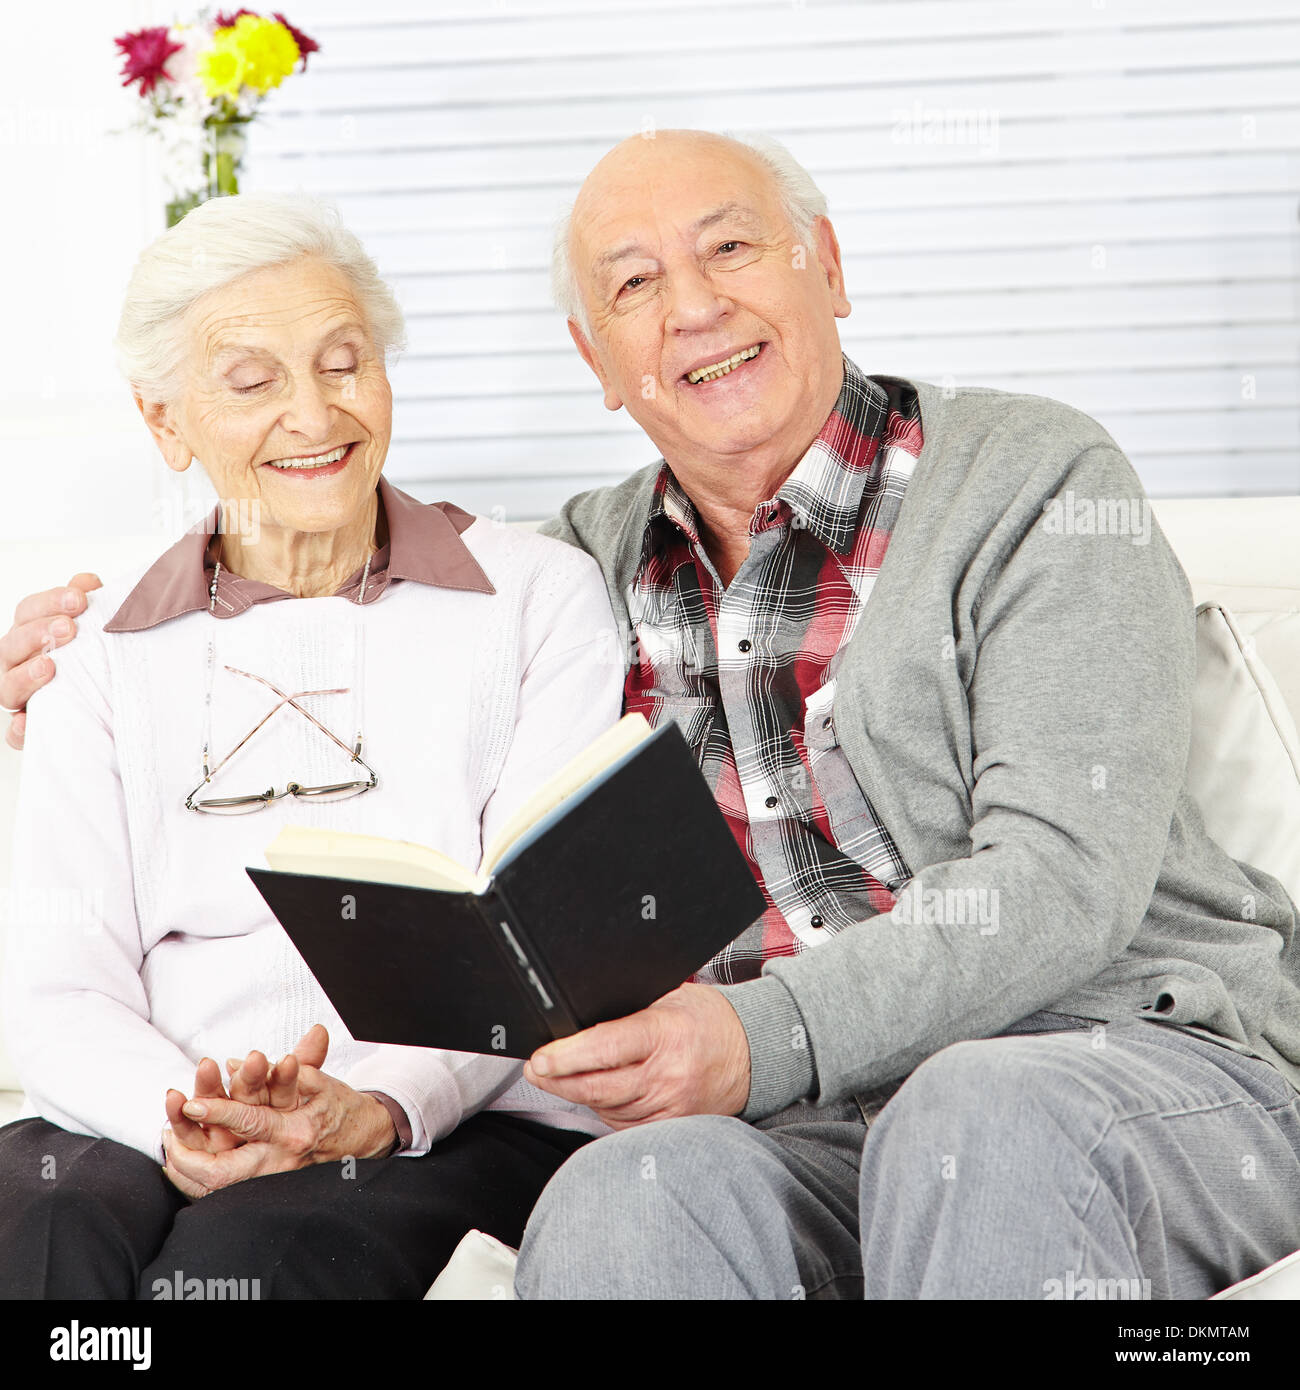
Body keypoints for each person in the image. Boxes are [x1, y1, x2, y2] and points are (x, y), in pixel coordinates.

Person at [8, 131, 1300, 1302]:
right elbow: (359, 600)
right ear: (598, 361)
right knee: (627, 1191)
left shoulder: (1035, 479)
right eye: (631, 286)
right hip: (810, 1124)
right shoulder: (585, 565)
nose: (691, 306)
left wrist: (759, 1032)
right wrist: (37, 678)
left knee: (979, 1110)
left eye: (731, 247)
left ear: (830, 268)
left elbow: (1067, 874)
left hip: (1126, 1062)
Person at [0, 190, 623, 1299]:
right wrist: (191, 1118)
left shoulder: (538, 597)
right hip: (160, 1096)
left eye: (344, 361)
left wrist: (374, 1107)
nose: (313, 412)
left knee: (253, 1259)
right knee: (40, 1222)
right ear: (165, 421)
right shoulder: (90, 645)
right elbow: (56, 979)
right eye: (250, 382)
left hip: (453, 1111)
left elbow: (535, 933)